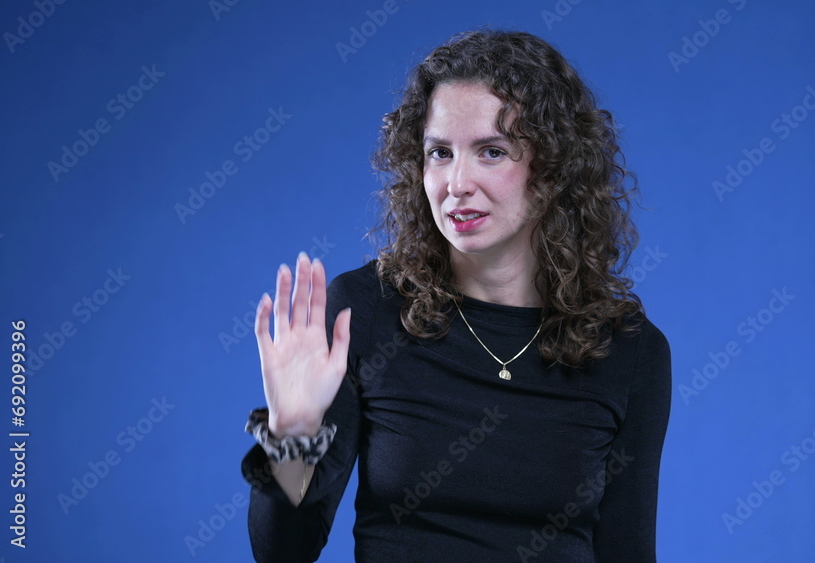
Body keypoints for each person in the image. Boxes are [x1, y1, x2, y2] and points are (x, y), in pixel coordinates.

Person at [241, 29, 672, 562]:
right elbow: (283, 551)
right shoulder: (367, 311)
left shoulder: (630, 352)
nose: (456, 183)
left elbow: (627, 553)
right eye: (439, 153)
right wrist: (292, 436)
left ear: (554, 170)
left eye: (492, 152)